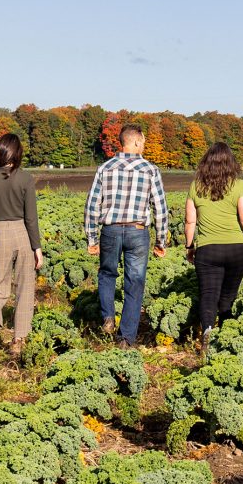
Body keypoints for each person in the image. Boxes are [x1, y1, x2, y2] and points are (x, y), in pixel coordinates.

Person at [84, 124, 169, 344]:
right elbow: (160, 208)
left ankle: (108, 317)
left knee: (107, 274)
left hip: (110, 230)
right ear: (136, 142)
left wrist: (92, 238)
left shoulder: (105, 168)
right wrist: (161, 241)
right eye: (143, 142)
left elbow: (92, 205)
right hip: (138, 231)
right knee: (135, 282)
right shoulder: (151, 170)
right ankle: (126, 338)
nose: (144, 146)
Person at [183, 140, 243, 347]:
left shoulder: (196, 185)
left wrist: (189, 246)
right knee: (227, 296)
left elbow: (190, 220)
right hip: (237, 249)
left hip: (208, 250)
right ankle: (227, 337)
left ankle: (208, 333)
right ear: (231, 162)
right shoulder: (238, 185)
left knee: (208, 295)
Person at [0, 133, 42, 364]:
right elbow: (31, 218)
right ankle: (18, 340)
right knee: (24, 288)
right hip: (22, 233)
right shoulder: (25, 178)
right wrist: (37, 247)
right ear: (18, 153)